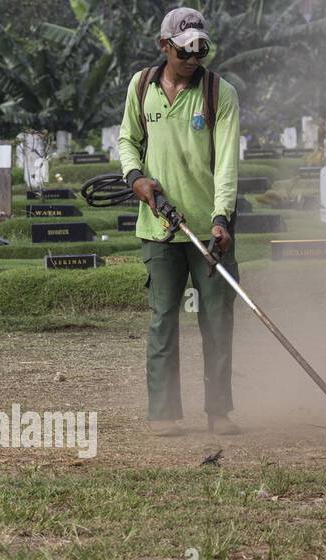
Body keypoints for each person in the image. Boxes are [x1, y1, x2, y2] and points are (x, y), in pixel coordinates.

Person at [117, 7, 241, 437]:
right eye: (185, 51)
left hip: (209, 230)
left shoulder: (218, 93)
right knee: (163, 319)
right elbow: (127, 140)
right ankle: (164, 412)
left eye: (200, 50)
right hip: (158, 228)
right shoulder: (141, 86)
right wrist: (136, 178)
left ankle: (219, 411)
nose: (193, 58)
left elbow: (226, 164)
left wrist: (222, 219)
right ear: (165, 46)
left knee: (217, 319)